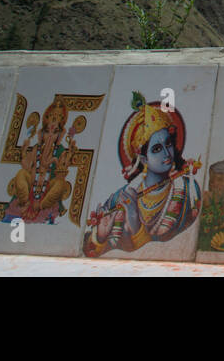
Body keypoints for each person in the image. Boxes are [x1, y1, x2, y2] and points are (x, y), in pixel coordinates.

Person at [83, 92, 201, 256]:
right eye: (157, 149)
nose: (167, 153)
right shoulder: (121, 198)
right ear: (144, 159)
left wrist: (134, 220)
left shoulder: (188, 191)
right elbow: (91, 252)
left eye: (168, 144)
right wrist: (101, 237)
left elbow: (168, 249)